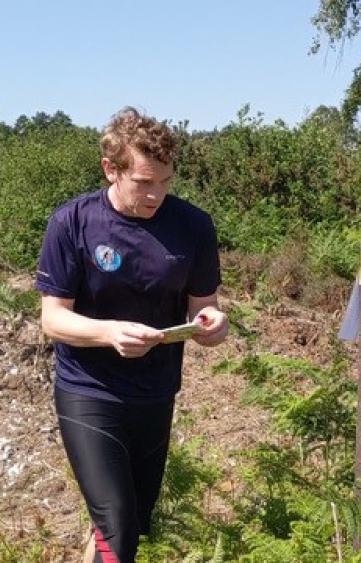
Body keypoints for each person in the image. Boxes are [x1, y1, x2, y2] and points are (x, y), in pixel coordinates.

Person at [35, 107, 228, 562]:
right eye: (143, 182)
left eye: (165, 181)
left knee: (130, 523)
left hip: (155, 392)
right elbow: (53, 319)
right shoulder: (72, 222)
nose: (156, 193)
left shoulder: (193, 226)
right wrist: (108, 333)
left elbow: (205, 307)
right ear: (111, 169)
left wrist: (213, 324)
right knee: (117, 523)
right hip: (89, 390)